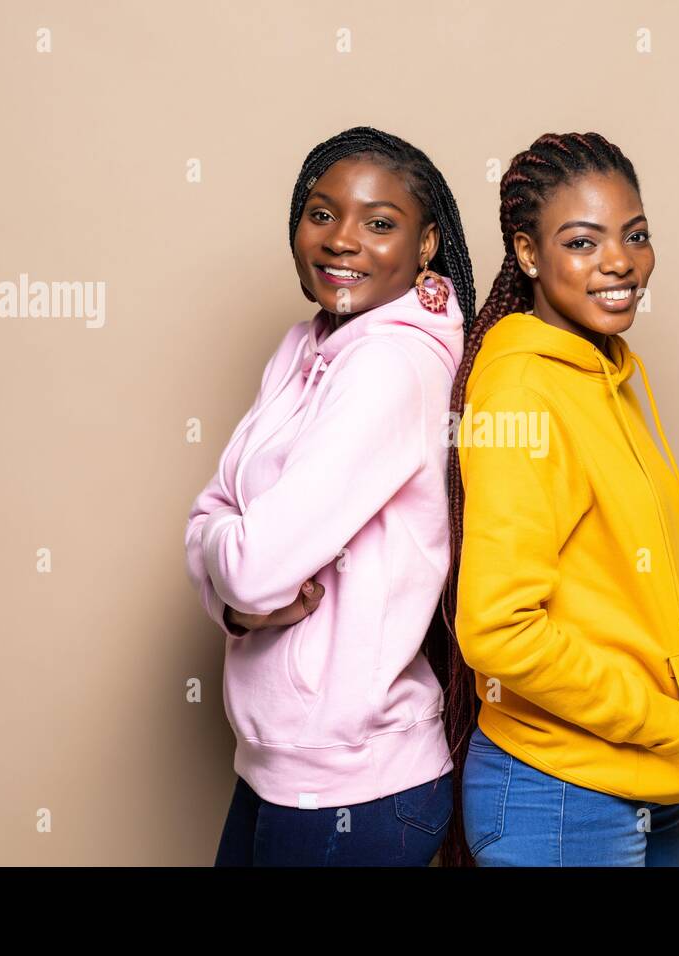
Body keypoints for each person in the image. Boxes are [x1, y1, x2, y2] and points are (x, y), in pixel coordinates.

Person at [438, 131, 679, 867]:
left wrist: (670, 732)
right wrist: (655, 716)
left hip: (646, 783)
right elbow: (497, 632)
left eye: (636, 235)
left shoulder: (605, 374)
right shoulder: (523, 390)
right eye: (583, 240)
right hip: (560, 796)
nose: (620, 262)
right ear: (529, 254)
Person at [184, 127, 475, 866]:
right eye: (323, 214)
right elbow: (213, 520)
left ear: (428, 242)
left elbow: (244, 560)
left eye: (380, 223)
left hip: (355, 789)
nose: (343, 240)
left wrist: (236, 574)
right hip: (278, 768)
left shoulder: (390, 366)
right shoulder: (304, 345)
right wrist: (237, 595)